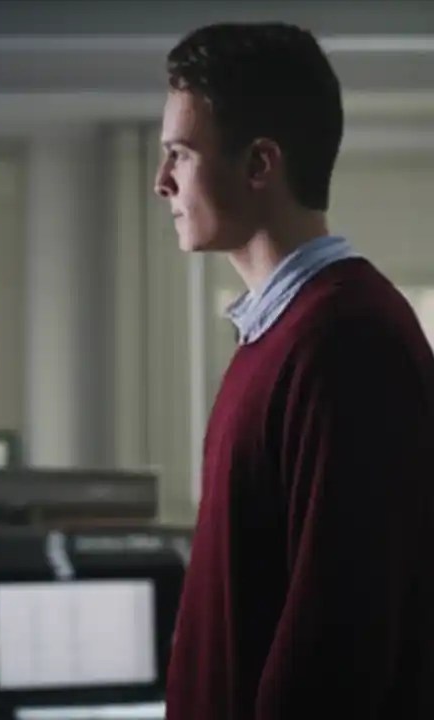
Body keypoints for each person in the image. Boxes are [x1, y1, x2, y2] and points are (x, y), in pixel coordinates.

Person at [155, 22, 434, 719]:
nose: (162, 182)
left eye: (180, 155)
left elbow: (340, 642)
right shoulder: (281, 335)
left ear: (260, 164)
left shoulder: (349, 340)